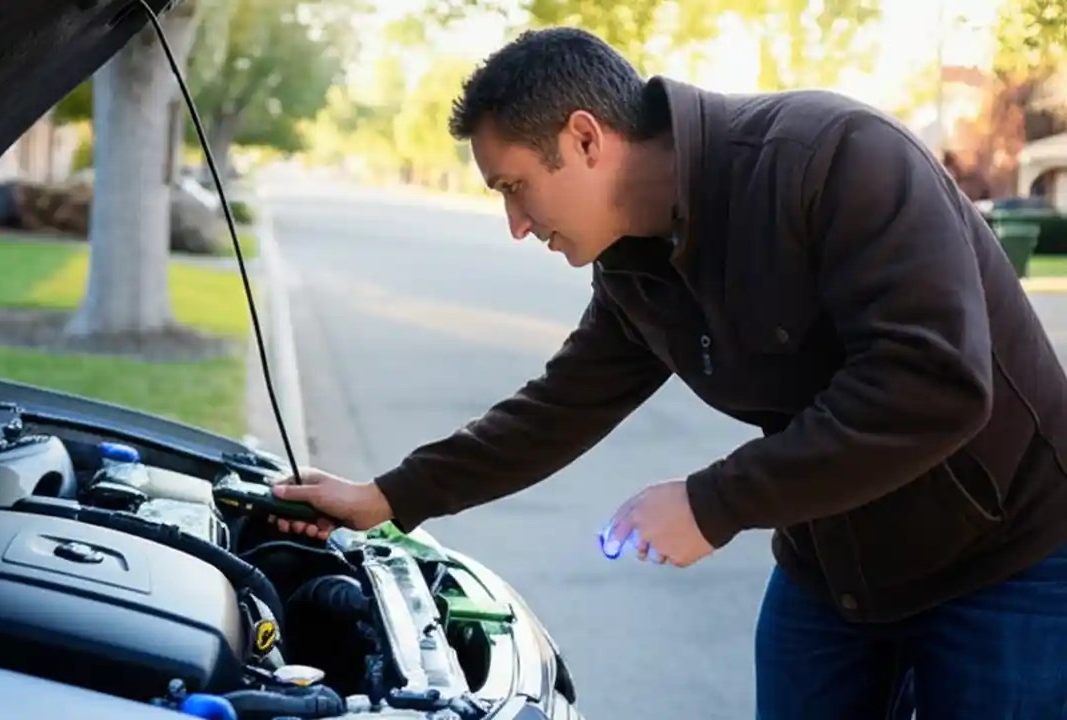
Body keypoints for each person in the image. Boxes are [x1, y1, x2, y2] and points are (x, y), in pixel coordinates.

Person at [270, 27, 1067, 718]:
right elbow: (560, 406)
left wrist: (713, 501)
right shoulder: (633, 267)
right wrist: (387, 498)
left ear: (586, 138)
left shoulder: (830, 159)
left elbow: (935, 383)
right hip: (838, 571)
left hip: (1005, 560)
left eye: (517, 188)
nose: (516, 224)